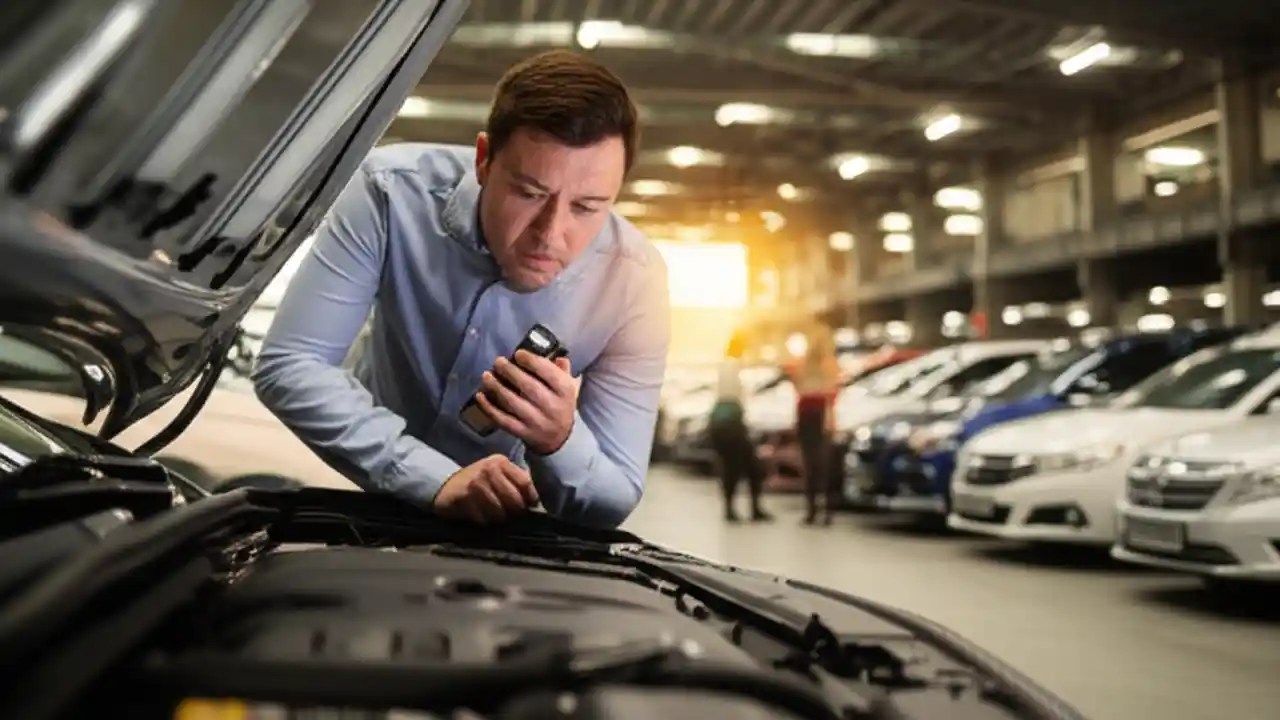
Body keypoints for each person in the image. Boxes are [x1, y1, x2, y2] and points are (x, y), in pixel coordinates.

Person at [253, 50, 671, 530]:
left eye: (588, 207)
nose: (550, 234)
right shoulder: (387, 194)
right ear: (483, 160)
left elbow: (614, 497)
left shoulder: (635, 283)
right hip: (366, 496)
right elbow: (291, 364)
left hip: (505, 531)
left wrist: (560, 440)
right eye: (530, 193)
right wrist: (432, 478)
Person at [706, 329, 773, 523]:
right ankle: (752, 509)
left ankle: (732, 509)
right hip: (731, 422)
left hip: (720, 421)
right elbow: (734, 395)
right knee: (749, 466)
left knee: (730, 467)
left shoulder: (724, 365)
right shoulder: (732, 366)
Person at [794, 320, 840, 525]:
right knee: (810, 464)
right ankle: (812, 509)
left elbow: (832, 391)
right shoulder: (806, 362)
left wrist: (830, 418)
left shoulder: (827, 363)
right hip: (806, 410)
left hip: (818, 410)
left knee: (823, 464)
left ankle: (825, 509)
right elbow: (800, 387)